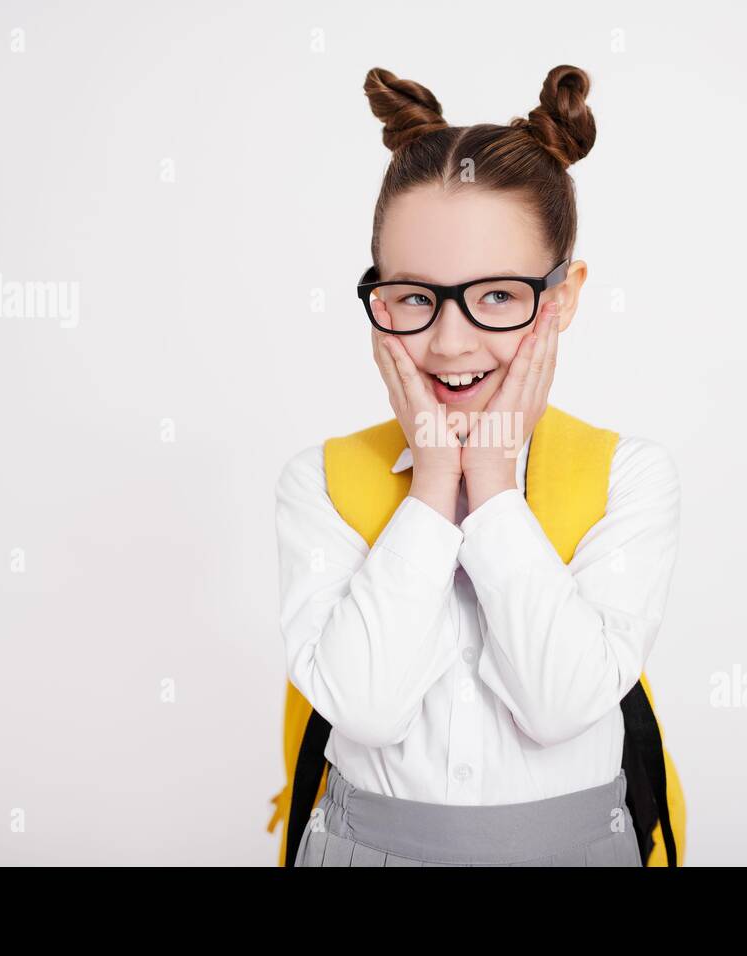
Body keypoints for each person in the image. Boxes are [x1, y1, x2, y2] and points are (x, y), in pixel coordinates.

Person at [270, 64, 684, 866]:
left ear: (561, 299)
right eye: (415, 296)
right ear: (379, 297)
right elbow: (365, 707)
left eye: (496, 296)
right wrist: (431, 485)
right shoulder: (317, 481)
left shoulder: (629, 477)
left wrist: (492, 486)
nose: (451, 343)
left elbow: (560, 703)